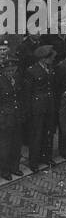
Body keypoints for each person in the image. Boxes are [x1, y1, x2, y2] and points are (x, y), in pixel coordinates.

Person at [0, 43, 22, 179]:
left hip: (17, 115)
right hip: (5, 118)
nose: (10, 73)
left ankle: (15, 167)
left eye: (12, 70)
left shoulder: (17, 79)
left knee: (16, 144)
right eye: (8, 71)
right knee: (5, 146)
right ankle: (5, 170)